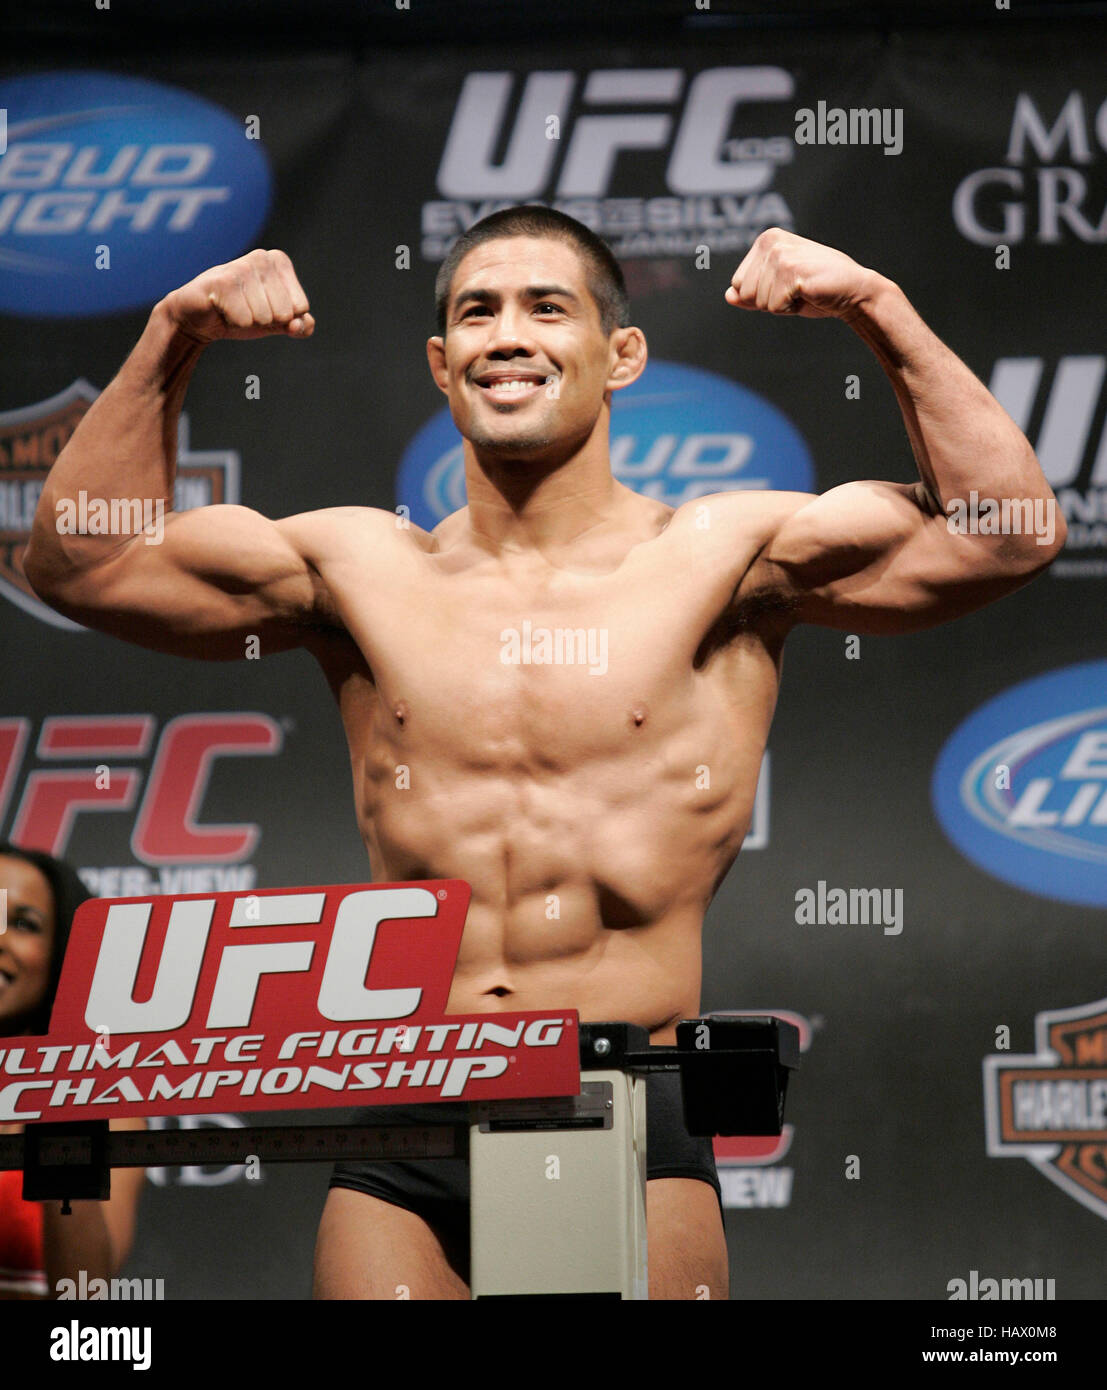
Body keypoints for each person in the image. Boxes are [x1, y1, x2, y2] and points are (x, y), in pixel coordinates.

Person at [24, 207, 1064, 1299]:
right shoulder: (359, 567)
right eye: (478, 311)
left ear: (623, 355)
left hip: (622, 1087)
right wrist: (174, 329)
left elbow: (1006, 530)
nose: (506, 334)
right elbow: (83, 565)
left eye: (545, 307)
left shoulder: (727, 557)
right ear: (441, 364)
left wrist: (875, 303)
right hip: (407, 1100)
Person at [0, 844, 145, 1299]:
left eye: (24, 924)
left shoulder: (106, 1107)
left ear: (64, 954)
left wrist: (58, 1094)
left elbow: (83, 1292)